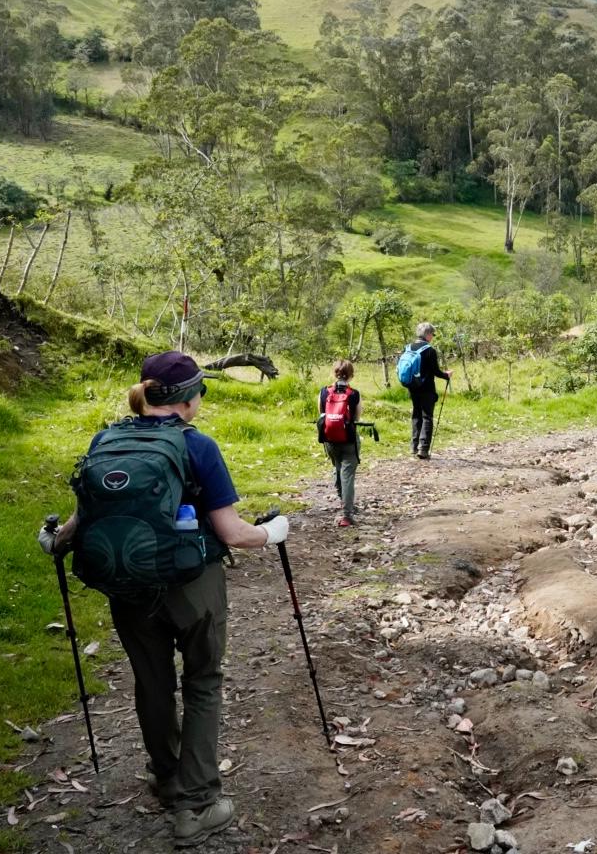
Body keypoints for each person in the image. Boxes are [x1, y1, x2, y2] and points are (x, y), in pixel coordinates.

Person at [35, 351, 290, 848]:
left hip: (127, 587)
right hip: (192, 585)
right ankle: (197, 806)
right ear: (189, 400)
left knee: (151, 682)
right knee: (201, 681)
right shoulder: (200, 448)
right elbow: (232, 534)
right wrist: (274, 531)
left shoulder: (105, 440)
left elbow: (80, 521)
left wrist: (54, 542)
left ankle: (166, 777)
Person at [317, 359, 362, 526]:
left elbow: (322, 415)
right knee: (348, 474)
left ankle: (343, 500)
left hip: (330, 438)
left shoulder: (323, 392)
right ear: (351, 375)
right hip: (349, 439)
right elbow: (356, 418)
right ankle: (347, 514)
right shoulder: (354, 394)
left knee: (337, 468)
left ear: (334, 373)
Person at [403, 321, 451, 460]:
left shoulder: (408, 348)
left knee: (416, 415)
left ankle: (414, 445)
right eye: (433, 334)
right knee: (427, 417)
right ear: (428, 334)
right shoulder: (429, 350)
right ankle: (423, 449)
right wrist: (446, 375)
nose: (433, 336)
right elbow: (435, 371)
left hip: (412, 387)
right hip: (427, 389)